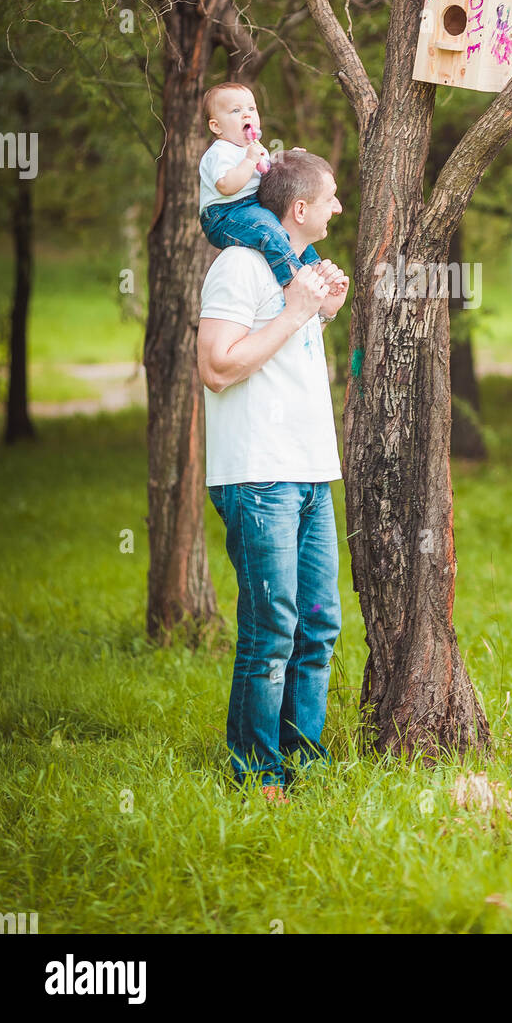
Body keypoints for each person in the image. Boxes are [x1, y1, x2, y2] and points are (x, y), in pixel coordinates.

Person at [197, 150, 349, 802]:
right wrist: (292, 312)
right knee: (271, 631)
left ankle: (301, 763)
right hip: (260, 476)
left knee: (319, 626)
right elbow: (216, 366)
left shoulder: (301, 270)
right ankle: (255, 774)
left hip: (311, 472)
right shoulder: (238, 266)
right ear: (300, 209)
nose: (340, 207)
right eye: (333, 197)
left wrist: (321, 307)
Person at [199, 81, 331, 291]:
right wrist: (249, 161)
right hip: (224, 213)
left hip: (253, 206)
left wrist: (290, 159)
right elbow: (226, 186)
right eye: (236, 110)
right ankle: (292, 279)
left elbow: (270, 176)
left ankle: (315, 270)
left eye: (251, 108)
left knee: (289, 229)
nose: (246, 114)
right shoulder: (220, 152)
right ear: (216, 126)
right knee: (267, 229)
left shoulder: (254, 148)